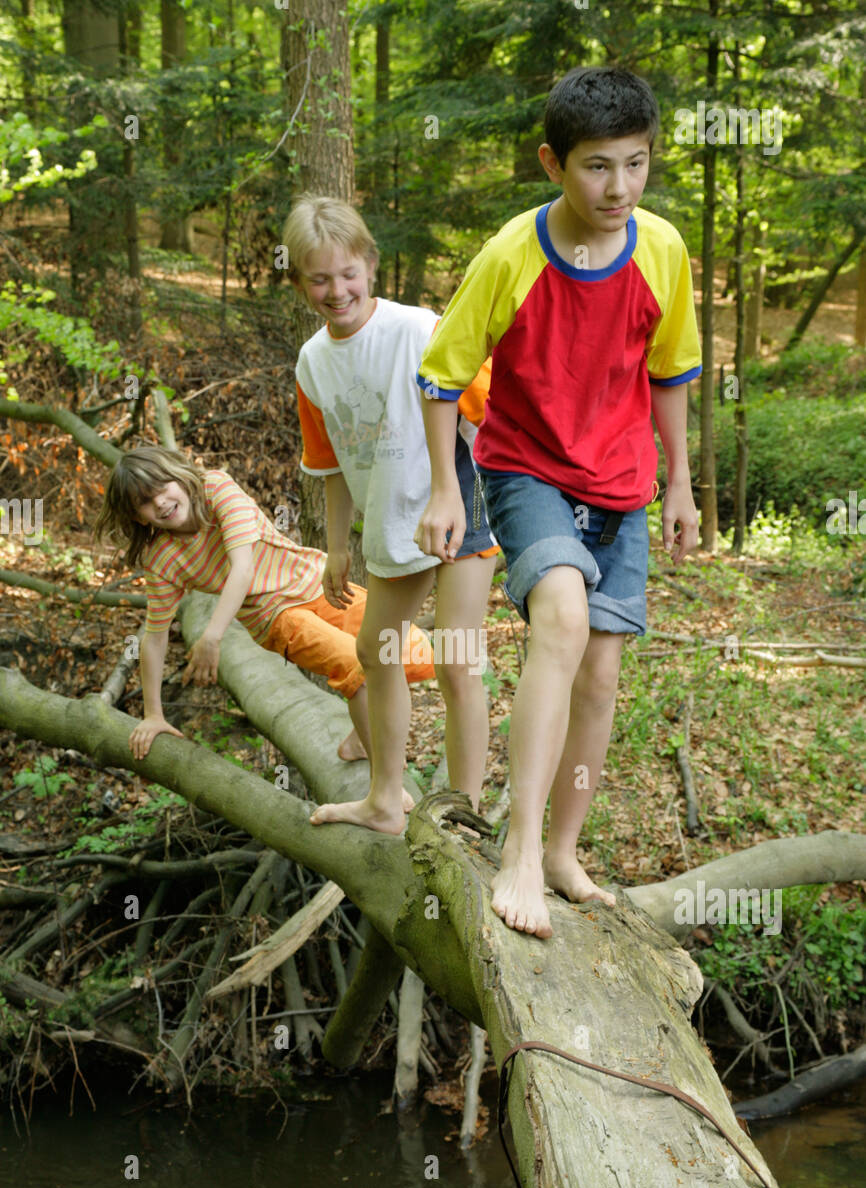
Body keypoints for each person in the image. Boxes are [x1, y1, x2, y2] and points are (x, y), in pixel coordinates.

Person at [416, 66, 702, 937]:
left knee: (603, 676)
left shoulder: (662, 251)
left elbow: (671, 374)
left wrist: (683, 481)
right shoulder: (510, 256)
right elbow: (440, 375)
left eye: (636, 164)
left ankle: (561, 853)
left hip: (623, 483)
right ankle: (516, 849)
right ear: (552, 163)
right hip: (527, 471)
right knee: (564, 625)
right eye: (596, 167)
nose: (619, 188)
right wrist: (442, 488)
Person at [285, 194, 498, 835]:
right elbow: (327, 462)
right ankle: (386, 797)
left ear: (370, 266)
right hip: (388, 520)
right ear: (298, 283)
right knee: (375, 653)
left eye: (347, 274)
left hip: (459, 505)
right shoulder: (312, 362)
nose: (336, 290)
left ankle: (464, 815)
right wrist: (337, 545)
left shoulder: (420, 329)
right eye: (319, 279)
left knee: (457, 659)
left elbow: (491, 409)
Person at [94, 445, 434, 787]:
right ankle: (385, 788)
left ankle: (360, 741)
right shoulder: (161, 558)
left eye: (161, 489)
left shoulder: (216, 488)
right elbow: (155, 635)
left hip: (316, 582)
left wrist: (211, 637)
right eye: (146, 503)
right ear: (139, 517)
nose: (160, 503)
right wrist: (153, 714)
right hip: (274, 616)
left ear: (178, 476)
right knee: (357, 666)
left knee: (413, 651)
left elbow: (243, 566)